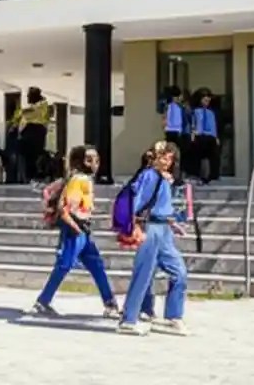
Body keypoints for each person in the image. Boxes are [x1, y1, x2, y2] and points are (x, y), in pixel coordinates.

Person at [31, 146, 120, 319]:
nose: (94, 164)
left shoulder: (83, 179)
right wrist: (76, 227)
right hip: (76, 229)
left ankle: (110, 303)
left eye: (97, 160)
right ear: (80, 161)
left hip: (82, 229)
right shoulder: (80, 180)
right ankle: (42, 301)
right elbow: (64, 208)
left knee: (96, 265)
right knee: (65, 264)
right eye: (89, 160)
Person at [118, 141, 189, 337]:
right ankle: (129, 319)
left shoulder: (162, 178)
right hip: (150, 228)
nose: (168, 162)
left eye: (170, 158)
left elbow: (159, 204)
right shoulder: (149, 176)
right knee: (144, 274)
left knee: (179, 271)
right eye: (164, 157)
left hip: (163, 228)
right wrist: (135, 227)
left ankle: (173, 315)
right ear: (155, 157)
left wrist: (172, 223)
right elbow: (137, 203)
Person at [11, 87, 51, 183]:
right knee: (28, 158)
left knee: (31, 158)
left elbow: (27, 113)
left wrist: (19, 116)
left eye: (29, 96)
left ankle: (30, 177)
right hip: (31, 133)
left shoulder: (41, 107)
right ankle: (26, 177)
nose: (27, 98)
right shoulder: (35, 108)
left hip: (34, 133)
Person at [190, 89, 220, 183]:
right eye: (205, 100)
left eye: (208, 100)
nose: (207, 102)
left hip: (210, 136)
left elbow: (213, 126)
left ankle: (213, 175)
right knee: (198, 156)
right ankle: (198, 175)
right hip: (200, 135)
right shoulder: (196, 111)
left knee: (213, 156)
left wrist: (216, 137)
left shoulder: (211, 113)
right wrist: (193, 134)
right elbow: (194, 124)